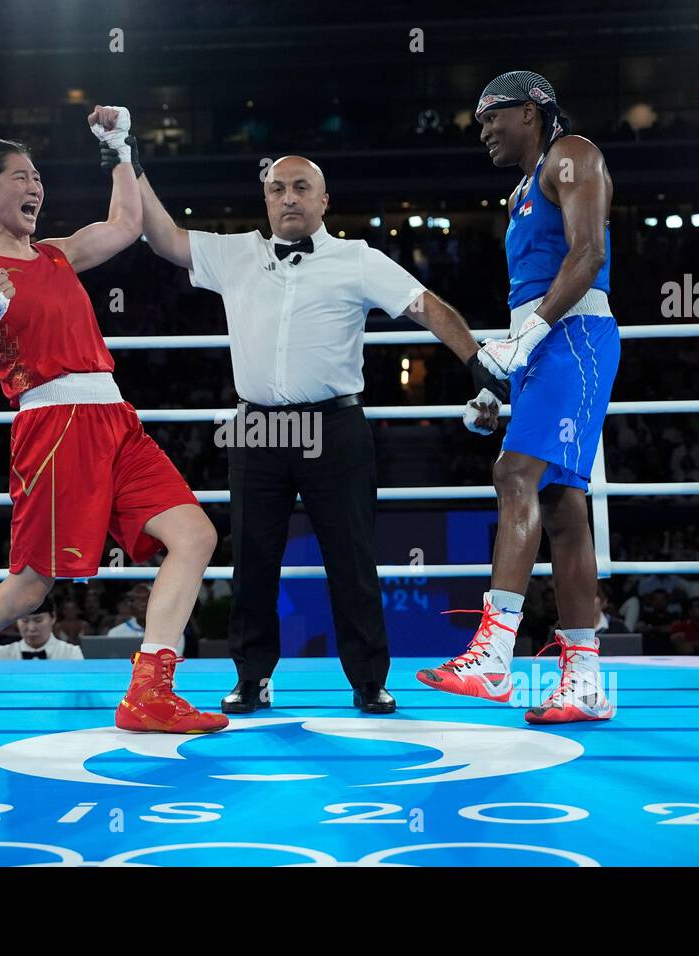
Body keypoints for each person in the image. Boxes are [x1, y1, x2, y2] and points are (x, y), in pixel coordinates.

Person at [0, 106, 226, 735]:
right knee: (30, 588)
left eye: (38, 177)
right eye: (22, 177)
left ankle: (150, 690)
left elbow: (127, 223)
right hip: (52, 428)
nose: (36, 186)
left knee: (195, 535)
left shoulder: (55, 255)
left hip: (114, 416)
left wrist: (118, 149)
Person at [133, 149, 483, 715]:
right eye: (277, 189)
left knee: (351, 557)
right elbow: (164, 237)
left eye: (301, 187)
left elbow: (426, 306)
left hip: (336, 424)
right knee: (252, 559)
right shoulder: (237, 253)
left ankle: (369, 680)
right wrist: (131, 160)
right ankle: (251, 678)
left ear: (324, 200)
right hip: (257, 427)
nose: (289, 197)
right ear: (266, 199)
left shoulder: (356, 258)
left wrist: (478, 364)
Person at [417, 71, 619, 723]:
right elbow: (530, 291)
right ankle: (584, 680)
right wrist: (504, 375)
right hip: (544, 347)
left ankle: (495, 655)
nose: (484, 134)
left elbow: (587, 255)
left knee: (513, 475)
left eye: (490, 119)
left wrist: (527, 340)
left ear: (529, 113)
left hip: (575, 336)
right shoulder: (517, 197)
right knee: (560, 506)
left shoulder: (573, 156)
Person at [0, 596, 83, 661]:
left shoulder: (71, 653)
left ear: (53, 618)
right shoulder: (4, 654)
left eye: (38, 620)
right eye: (24, 620)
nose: (31, 628)